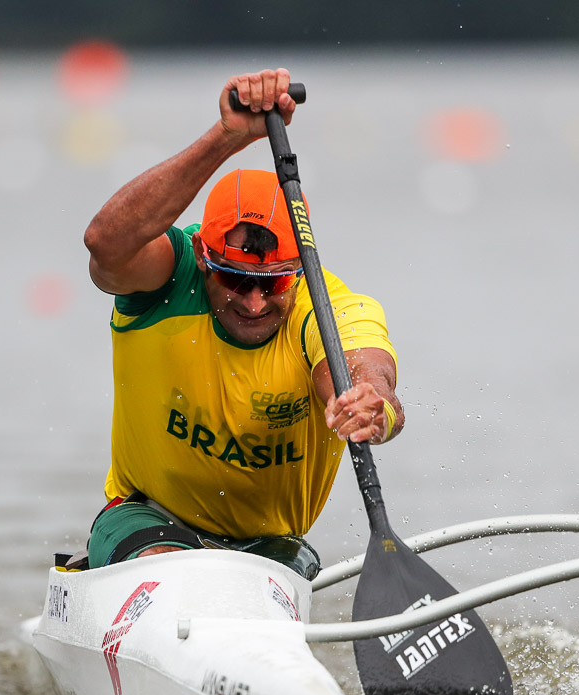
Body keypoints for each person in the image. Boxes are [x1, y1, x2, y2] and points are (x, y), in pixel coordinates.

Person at [80, 68, 404, 580]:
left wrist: (372, 404)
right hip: (147, 519)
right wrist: (226, 137)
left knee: (252, 575)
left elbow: (367, 369)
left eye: (273, 284)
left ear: (298, 273)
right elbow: (105, 244)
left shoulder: (325, 305)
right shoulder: (171, 274)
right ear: (205, 260)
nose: (254, 303)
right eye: (235, 279)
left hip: (269, 547)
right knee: (173, 571)